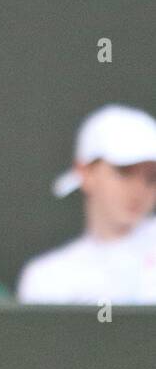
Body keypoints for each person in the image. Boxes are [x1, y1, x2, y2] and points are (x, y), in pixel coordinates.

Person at [17, 105, 156, 305]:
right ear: (85, 172)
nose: (138, 190)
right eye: (124, 172)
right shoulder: (47, 278)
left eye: (151, 178)